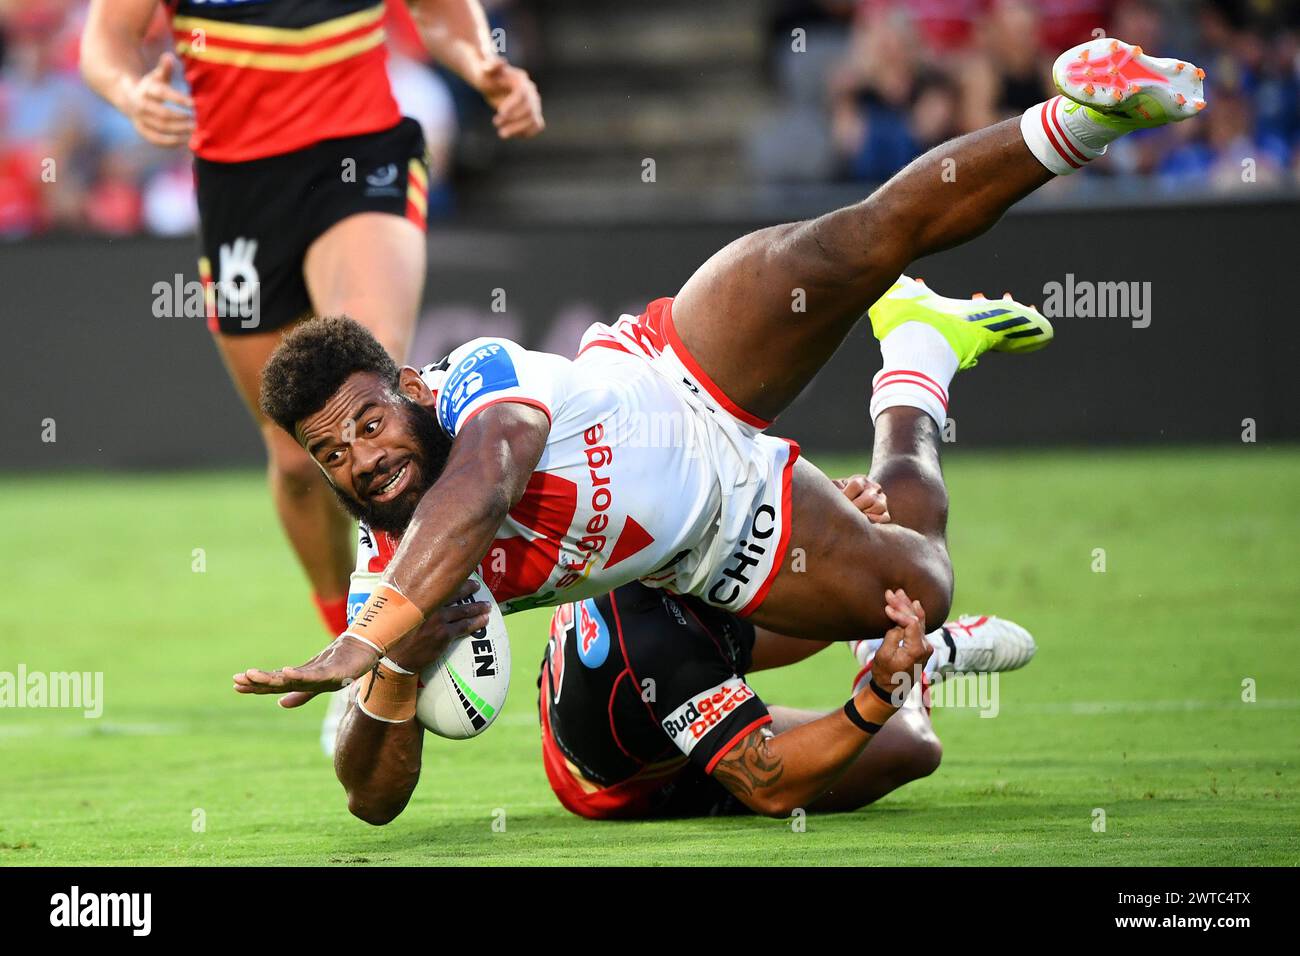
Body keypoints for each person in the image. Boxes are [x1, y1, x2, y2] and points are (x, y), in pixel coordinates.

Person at [231, 36, 1205, 699]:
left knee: (848, 245)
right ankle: (916, 358)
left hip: (679, 365)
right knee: (923, 587)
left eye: (366, 423)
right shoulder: (392, 573)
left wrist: (367, 638)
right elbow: (368, 798)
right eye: (331, 453)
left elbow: (483, 486)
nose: (361, 458)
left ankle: (1087, 114)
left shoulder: (476, 378)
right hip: (717, 538)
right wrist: (389, 685)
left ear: (409, 386)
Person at [80, 0, 544, 641]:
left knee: (364, 408)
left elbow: (437, 11)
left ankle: (400, 631)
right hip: (239, 191)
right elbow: (104, 39)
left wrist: (480, 63)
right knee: (298, 460)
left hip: (360, 161)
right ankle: (346, 635)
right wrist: (132, 94)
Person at [328, 473, 1037, 824]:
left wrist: (844, 525)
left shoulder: (666, 503)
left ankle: (915, 362)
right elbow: (770, 781)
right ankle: (919, 658)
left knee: (862, 584)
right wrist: (879, 693)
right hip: (621, 774)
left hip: (643, 654)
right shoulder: (662, 648)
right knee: (912, 746)